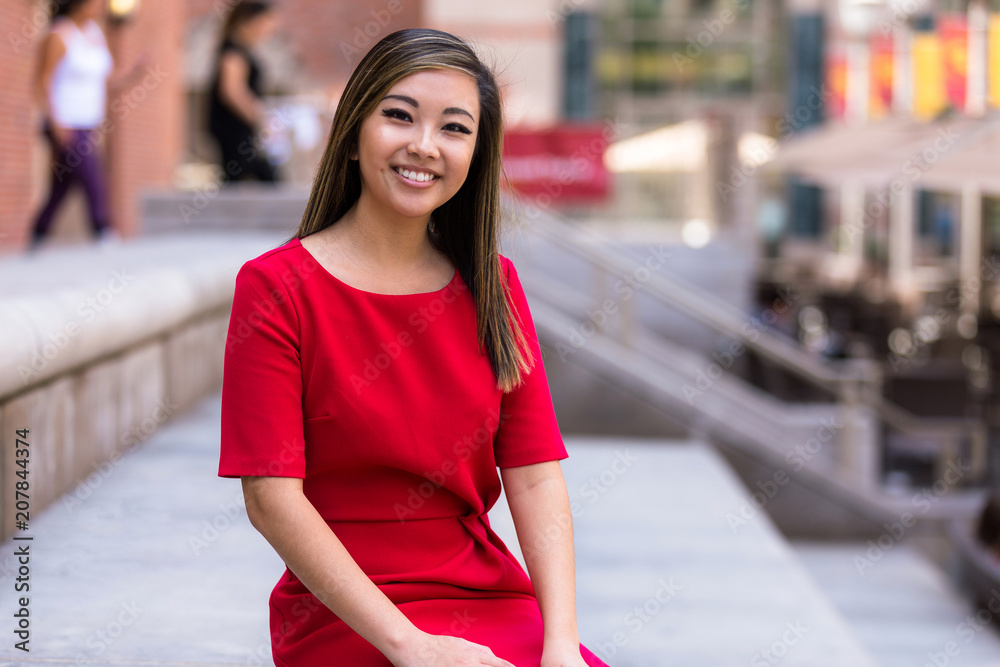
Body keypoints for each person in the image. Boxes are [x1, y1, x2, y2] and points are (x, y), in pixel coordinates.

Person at [218, 28, 610, 667]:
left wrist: (561, 642)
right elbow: (270, 497)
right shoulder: (275, 288)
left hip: (485, 593)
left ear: (477, 154)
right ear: (351, 134)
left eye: (455, 128)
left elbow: (536, 477)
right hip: (344, 610)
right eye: (399, 116)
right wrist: (412, 647)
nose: (424, 146)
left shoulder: (495, 286)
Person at [28, 0, 147, 251]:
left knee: (64, 183)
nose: (101, 6)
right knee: (92, 174)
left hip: (88, 123)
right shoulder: (59, 34)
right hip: (65, 122)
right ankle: (102, 230)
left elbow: (104, 81)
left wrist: (134, 76)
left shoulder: (95, 34)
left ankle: (38, 233)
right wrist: (56, 122)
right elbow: (42, 82)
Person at [207, 0, 280, 184]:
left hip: (239, 130)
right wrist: (260, 118)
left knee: (249, 176)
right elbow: (231, 90)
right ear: (250, 21)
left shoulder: (241, 50)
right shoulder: (233, 52)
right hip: (233, 130)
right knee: (261, 176)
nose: (267, 31)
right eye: (265, 23)